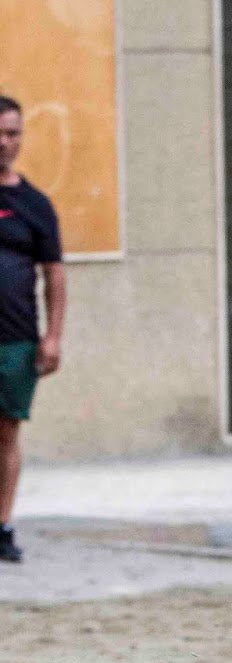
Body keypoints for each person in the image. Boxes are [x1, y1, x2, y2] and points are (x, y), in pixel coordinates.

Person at [0, 96, 66, 565]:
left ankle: (2, 527)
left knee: (6, 434)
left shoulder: (35, 205)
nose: (6, 143)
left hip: (17, 340)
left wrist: (53, 336)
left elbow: (55, 275)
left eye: (13, 133)